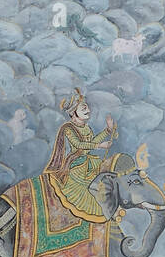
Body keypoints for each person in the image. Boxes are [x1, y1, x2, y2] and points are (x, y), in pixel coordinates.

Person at [45, 89, 118, 222]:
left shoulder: (87, 128)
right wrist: (99, 146)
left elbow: (92, 142)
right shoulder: (68, 128)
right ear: (73, 112)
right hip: (76, 166)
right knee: (86, 195)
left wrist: (107, 130)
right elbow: (79, 145)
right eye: (82, 107)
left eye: (87, 106)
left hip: (89, 162)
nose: (87, 109)